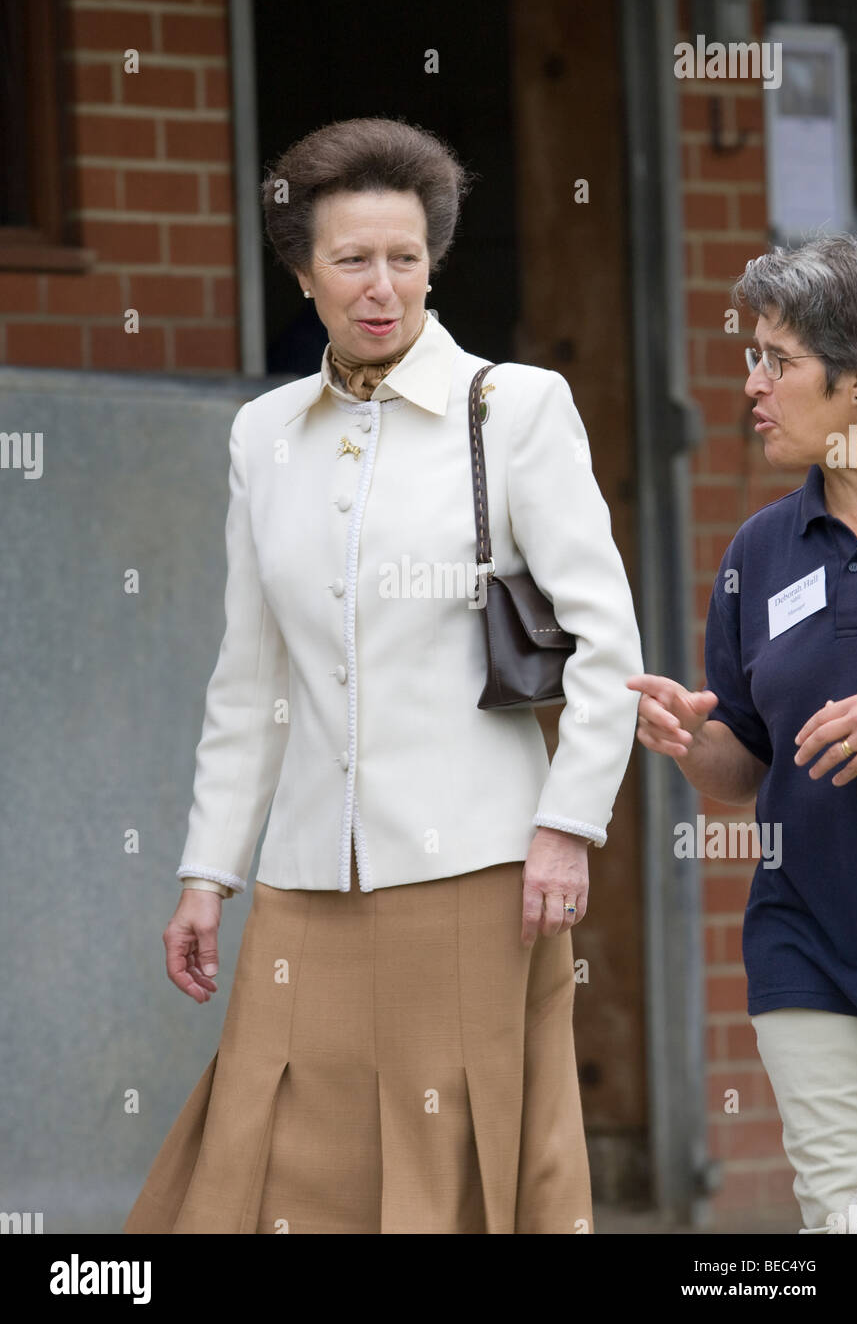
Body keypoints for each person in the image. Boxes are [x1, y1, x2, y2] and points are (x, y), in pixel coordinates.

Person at [123, 116, 642, 1236]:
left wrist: (567, 823)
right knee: (265, 1164)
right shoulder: (262, 435)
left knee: (445, 1166)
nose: (382, 286)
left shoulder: (513, 410)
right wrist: (209, 871)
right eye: (352, 259)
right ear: (302, 270)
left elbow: (608, 640)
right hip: (307, 872)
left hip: (478, 867)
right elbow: (247, 676)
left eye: (405, 258)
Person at [629, 233, 857, 1234]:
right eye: (749, 357)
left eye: (777, 361)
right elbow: (741, 765)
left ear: (854, 381)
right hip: (803, 935)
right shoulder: (758, 551)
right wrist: (692, 740)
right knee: (838, 1211)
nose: (750, 384)